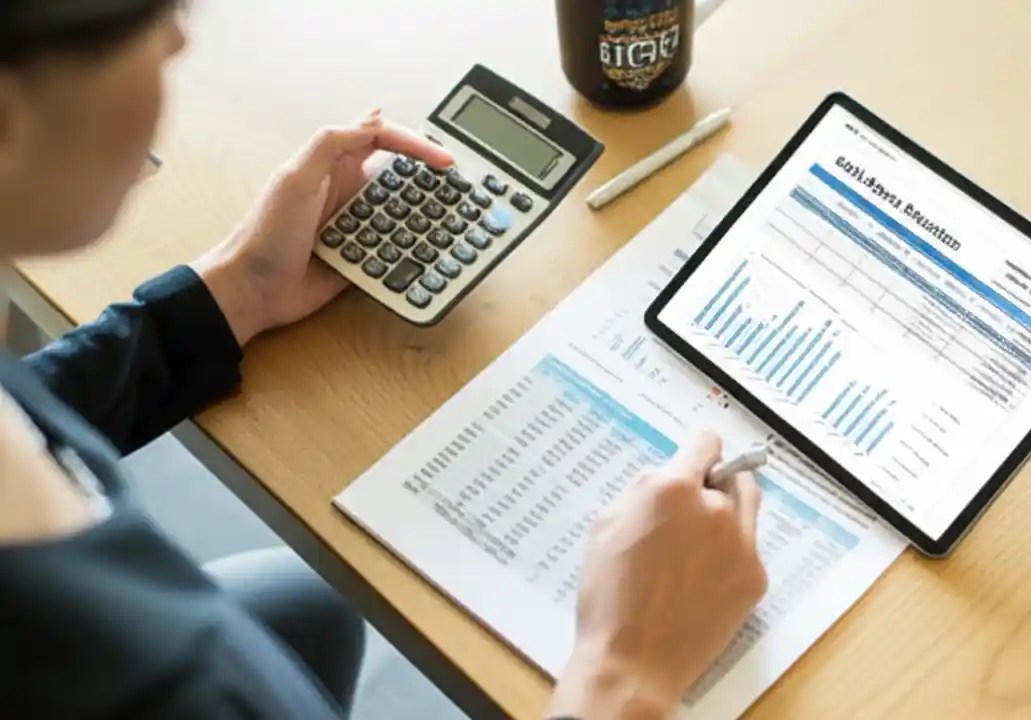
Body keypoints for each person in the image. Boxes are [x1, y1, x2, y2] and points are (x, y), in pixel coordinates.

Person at [0, 2, 767, 719]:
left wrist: (241, 289)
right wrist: (623, 674)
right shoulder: (160, 686)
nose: (178, 38)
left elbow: (27, 402)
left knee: (304, 602)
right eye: (143, 18)